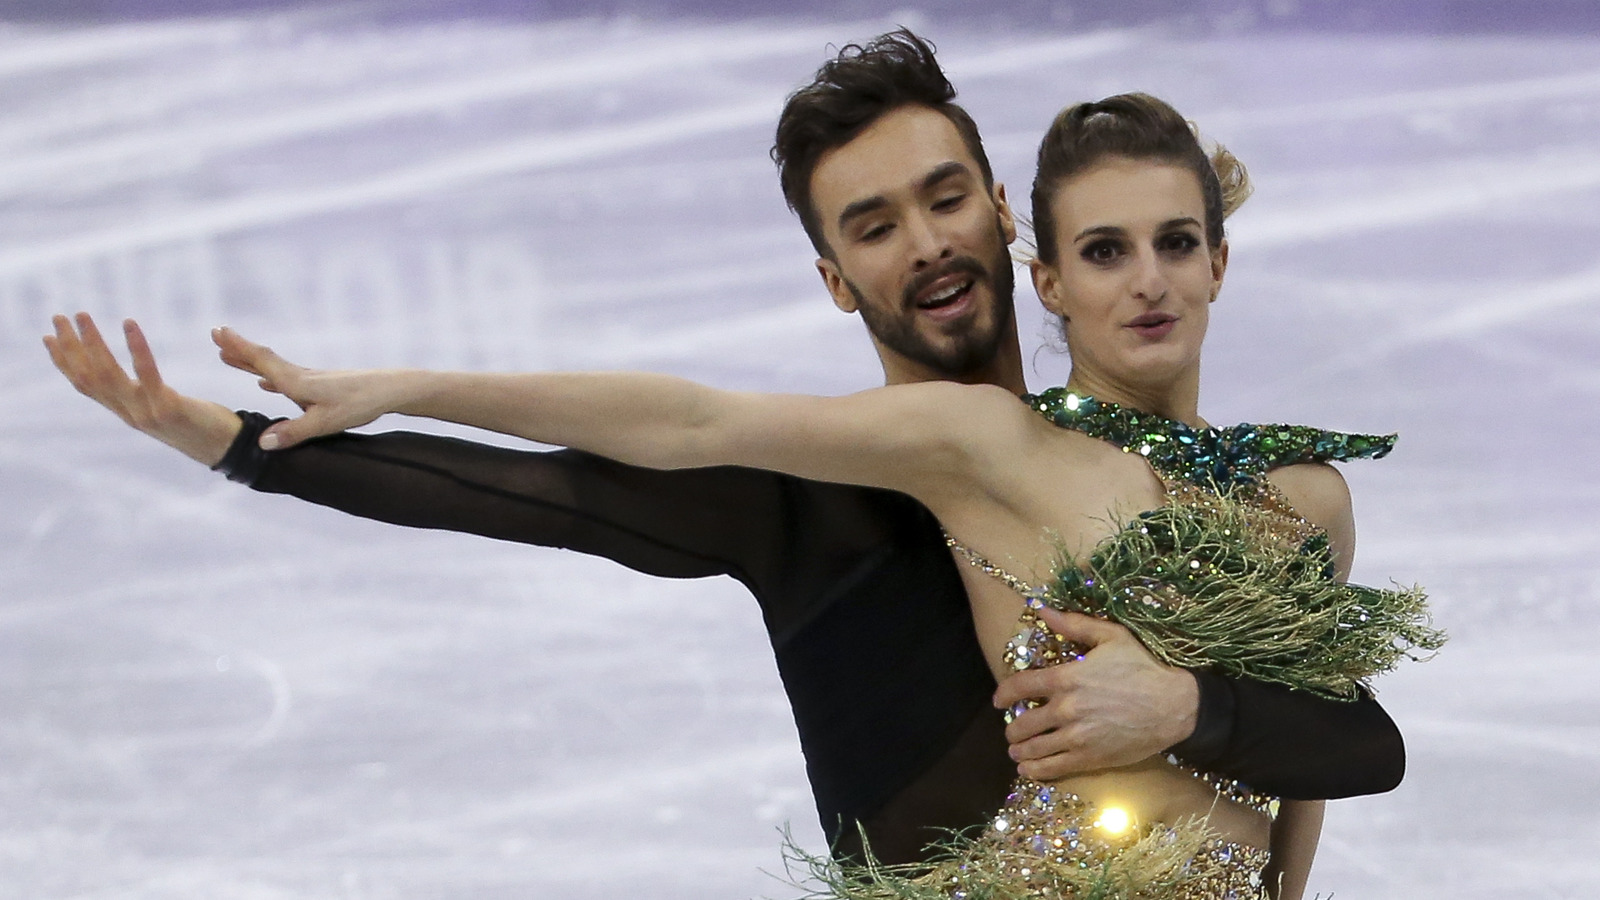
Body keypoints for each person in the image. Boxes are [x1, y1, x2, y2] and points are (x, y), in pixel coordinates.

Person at [44, 31, 1409, 872]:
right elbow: (546, 488)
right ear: (834, 277)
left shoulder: (1223, 488)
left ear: (1006, 223)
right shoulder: (807, 497)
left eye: (945, 199)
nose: (927, 244)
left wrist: (1188, 711)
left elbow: (1340, 743)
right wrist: (248, 439)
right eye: (873, 226)